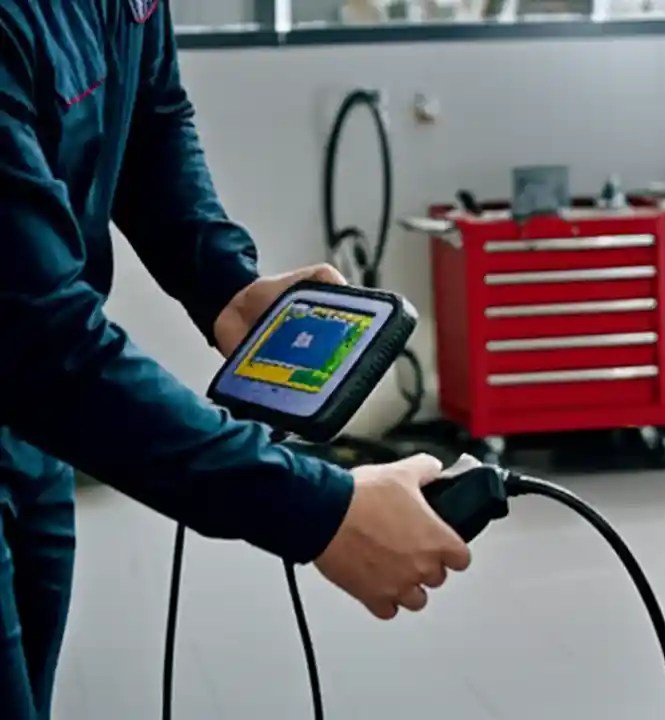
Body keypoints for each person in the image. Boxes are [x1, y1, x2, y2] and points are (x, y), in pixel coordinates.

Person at [0, 2, 472, 718]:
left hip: (33, 444)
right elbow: (36, 337)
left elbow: (153, 113)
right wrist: (315, 508)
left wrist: (222, 282)